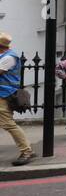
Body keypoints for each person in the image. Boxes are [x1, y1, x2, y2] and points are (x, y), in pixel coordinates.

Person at [0, 32, 34, 166]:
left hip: (4, 94)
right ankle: (27, 148)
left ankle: (26, 151)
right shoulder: (4, 56)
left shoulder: (9, 58)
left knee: (8, 123)